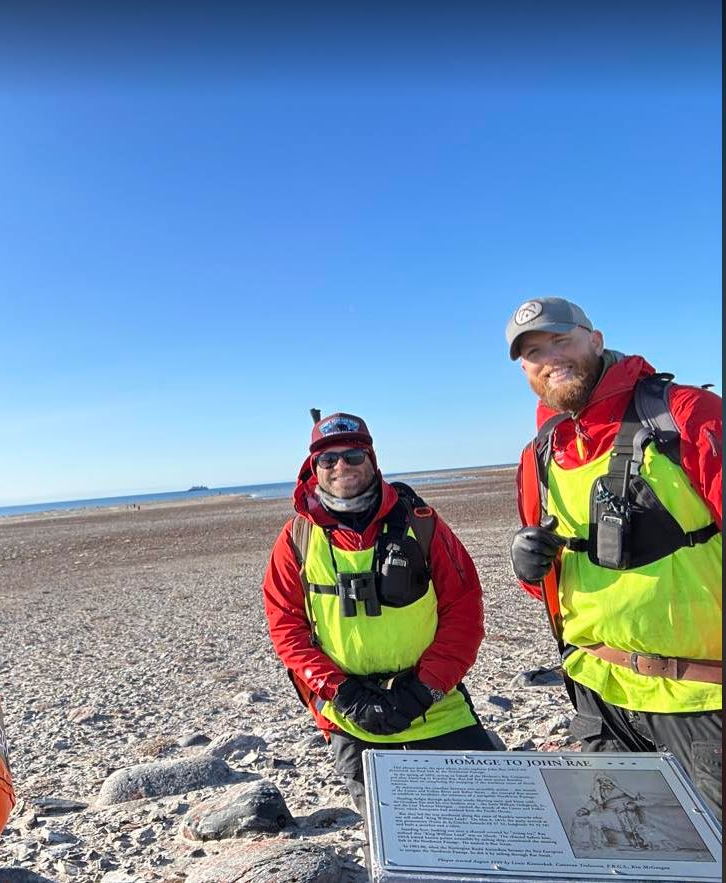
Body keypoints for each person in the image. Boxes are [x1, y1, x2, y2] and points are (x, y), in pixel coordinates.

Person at [505, 296, 722, 820]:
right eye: (533, 352)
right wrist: (532, 570)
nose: (549, 358)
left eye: (561, 340)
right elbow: (559, 586)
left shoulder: (686, 415)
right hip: (598, 697)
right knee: (631, 850)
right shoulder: (541, 453)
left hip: (701, 698)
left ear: (595, 340)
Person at [262, 412, 493, 813]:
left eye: (352, 455)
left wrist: (424, 690)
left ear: (371, 459)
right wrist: (343, 693)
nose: (341, 467)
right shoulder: (296, 538)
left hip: (437, 707)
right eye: (328, 460)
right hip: (349, 715)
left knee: (484, 819)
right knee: (394, 836)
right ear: (313, 468)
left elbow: (464, 611)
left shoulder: (422, 525)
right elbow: (287, 628)